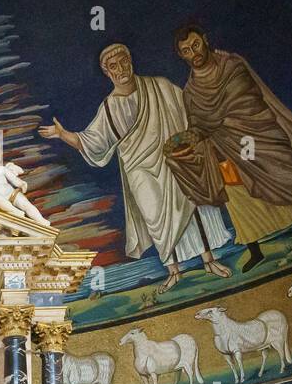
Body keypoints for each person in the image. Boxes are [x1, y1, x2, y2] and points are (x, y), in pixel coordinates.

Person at [41, 43, 230, 286]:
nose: (120, 69)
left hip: (175, 160)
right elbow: (93, 141)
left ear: (130, 61)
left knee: (191, 206)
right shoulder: (110, 107)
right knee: (155, 217)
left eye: (123, 62)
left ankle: (208, 259)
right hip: (139, 171)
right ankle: (173, 270)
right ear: (107, 73)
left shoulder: (159, 86)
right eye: (113, 66)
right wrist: (63, 134)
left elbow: (189, 109)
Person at [166, 24, 292, 272]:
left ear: (205, 40)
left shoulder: (231, 66)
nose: (193, 52)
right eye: (186, 50)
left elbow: (244, 101)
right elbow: (197, 124)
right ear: (181, 56)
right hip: (223, 148)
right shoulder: (191, 92)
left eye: (195, 45)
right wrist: (188, 141)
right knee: (238, 199)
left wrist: (214, 127)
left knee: (284, 178)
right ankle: (255, 250)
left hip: (255, 136)